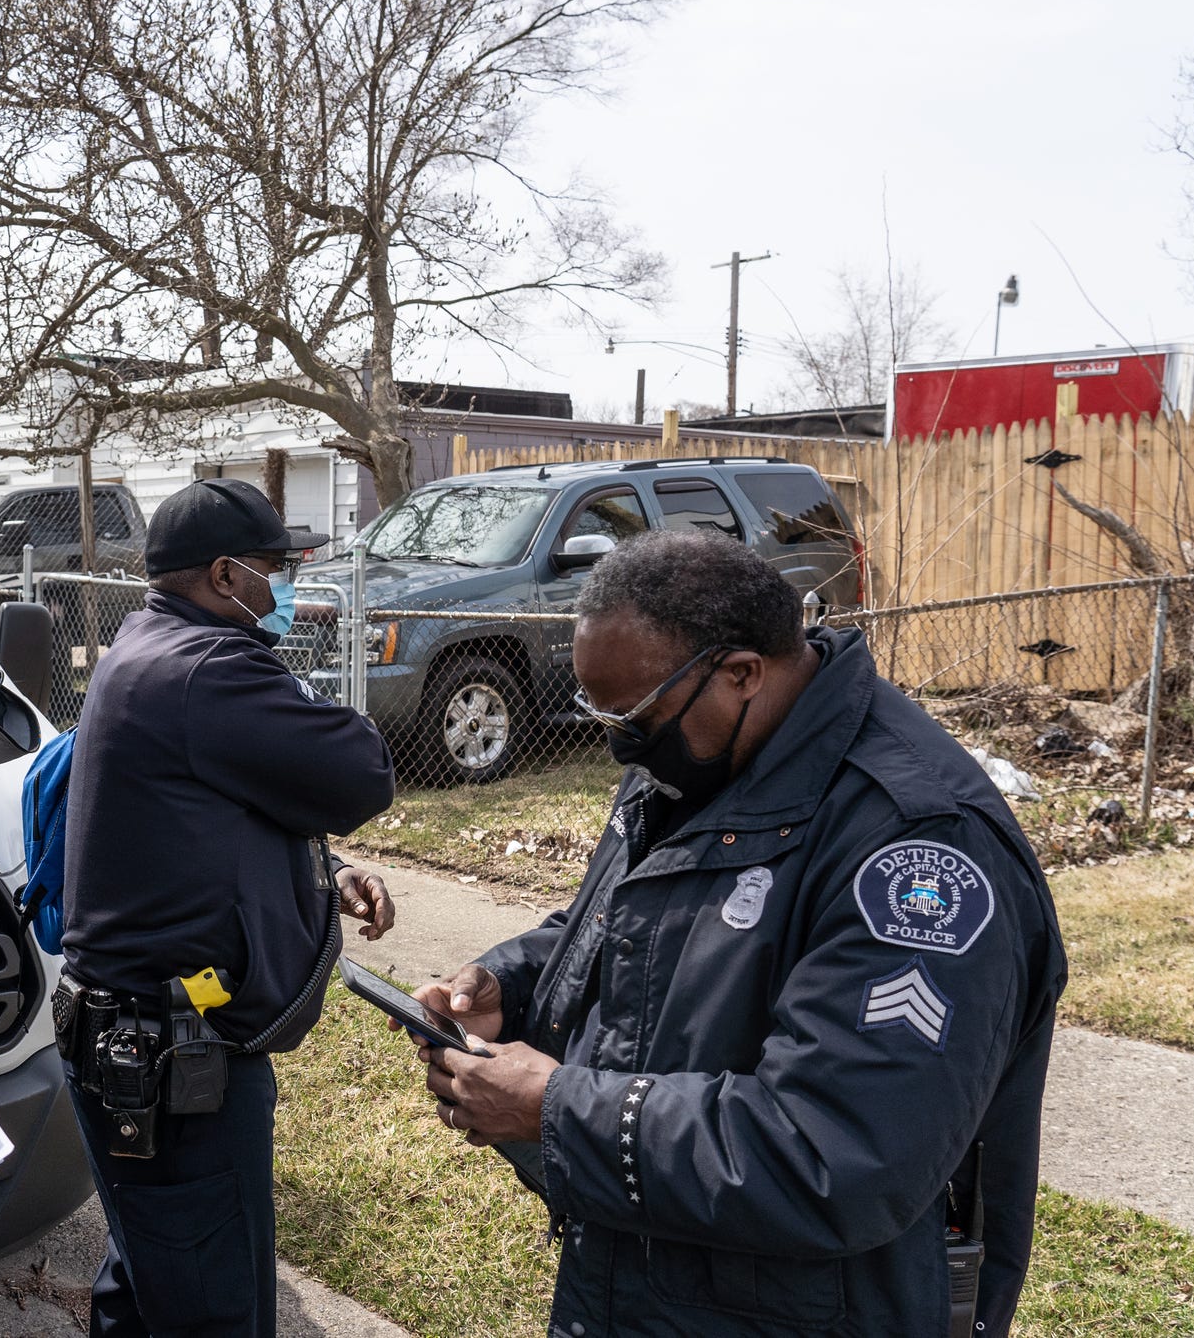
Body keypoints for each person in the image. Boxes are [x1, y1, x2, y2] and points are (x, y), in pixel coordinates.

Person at [406, 530, 1068, 1338]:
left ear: (741, 672)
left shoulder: (913, 847)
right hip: (652, 1278)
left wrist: (559, 1110)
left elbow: (839, 1152)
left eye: (632, 715)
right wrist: (507, 986)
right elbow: (643, 925)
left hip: (813, 1310)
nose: (617, 740)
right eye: (599, 711)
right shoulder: (701, 755)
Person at [59, 477, 399, 1338]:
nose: (287, 587)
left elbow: (210, 812)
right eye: (275, 569)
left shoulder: (141, 645)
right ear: (222, 576)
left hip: (132, 1042)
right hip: (176, 1061)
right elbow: (358, 775)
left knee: (148, 1288)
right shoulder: (210, 667)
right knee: (215, 1311)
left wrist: (325, 871)